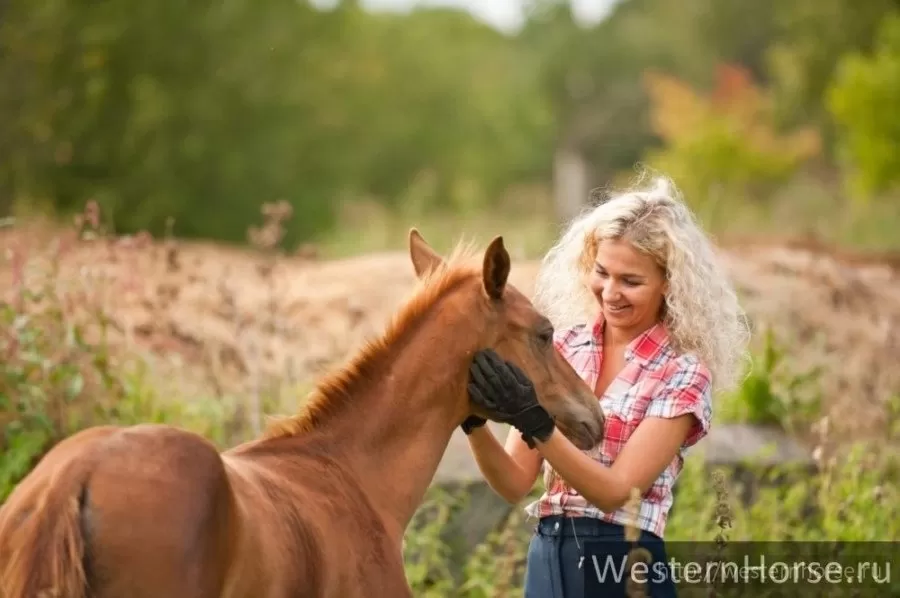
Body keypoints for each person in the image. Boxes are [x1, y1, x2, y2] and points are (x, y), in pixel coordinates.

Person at [462, 174, 750, 597]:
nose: (610, 292)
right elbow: (513, 482)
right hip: (546, 560)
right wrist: (473, 419)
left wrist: (535, 423)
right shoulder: (562, 347)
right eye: (602, 273)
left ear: (669, 282)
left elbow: (616, 492)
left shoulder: (682, 373)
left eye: (631, 281)